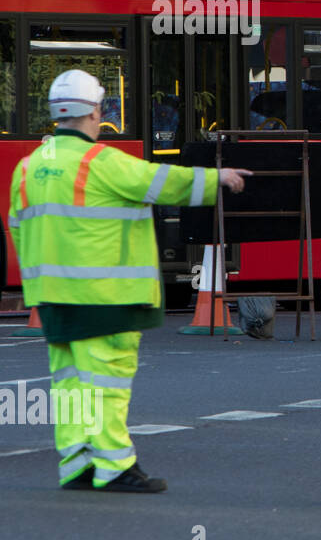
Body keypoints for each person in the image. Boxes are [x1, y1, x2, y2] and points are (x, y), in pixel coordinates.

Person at [8, 69, 251, 492]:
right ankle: (116, 466)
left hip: (51, 298)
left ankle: (77, 464)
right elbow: (163, 182)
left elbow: (18, 229)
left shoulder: (27, 169)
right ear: (95, 113)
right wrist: (219, 178)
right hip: (105, 297)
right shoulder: (101, 162)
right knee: (107, 382)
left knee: (70, 383)